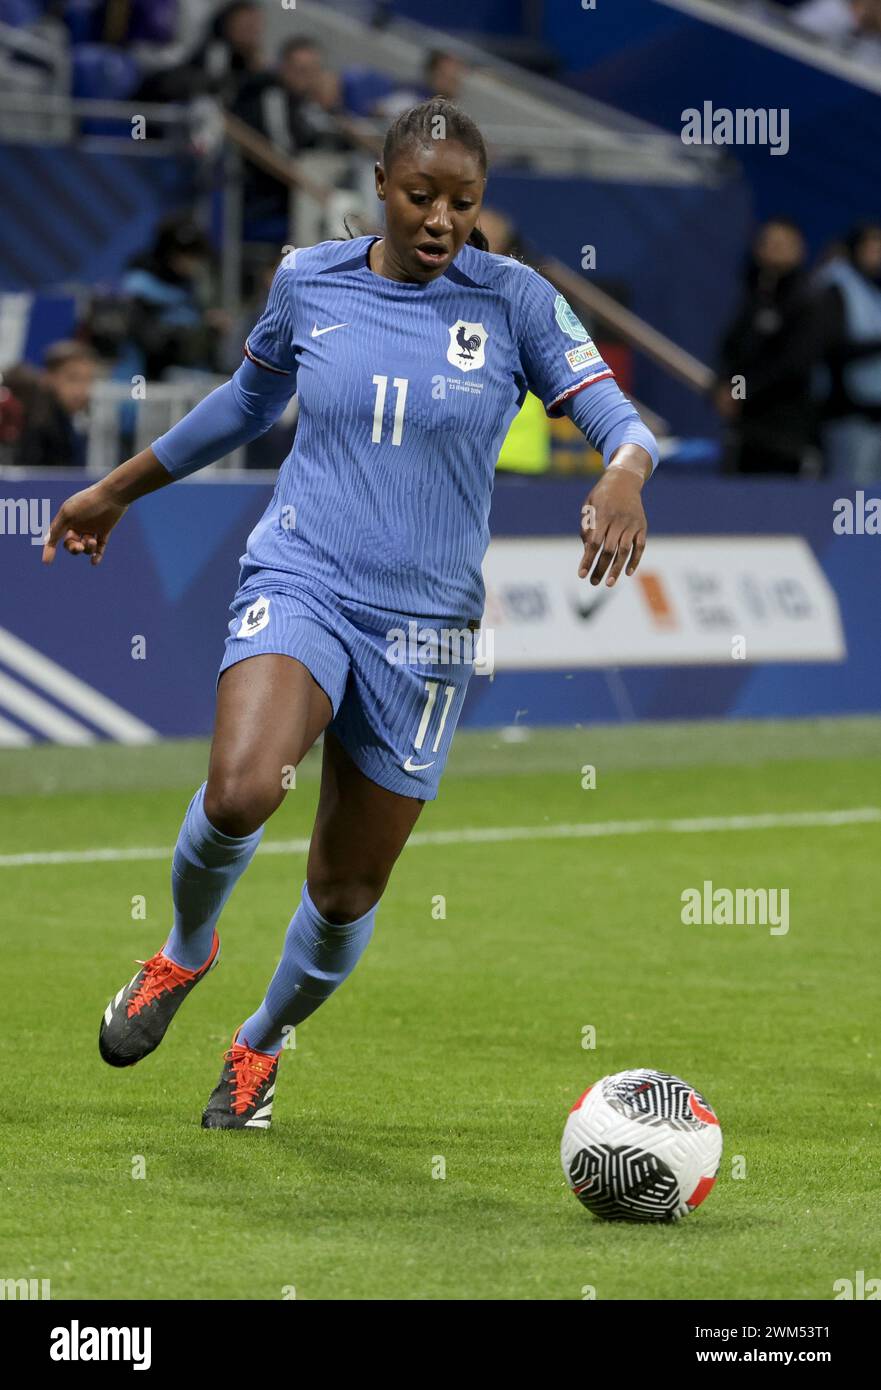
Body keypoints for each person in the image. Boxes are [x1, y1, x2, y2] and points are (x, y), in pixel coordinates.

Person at [43, 99, 658, 1131]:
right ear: (377, 184)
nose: (440, 219)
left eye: (463, 202)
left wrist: (624, 474)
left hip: (425, 632)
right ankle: (184, 951)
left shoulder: (513, 300)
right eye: (420, 195)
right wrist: (117, 488)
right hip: (305, 577)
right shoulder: (306, 280)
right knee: (240, 791)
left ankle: (260, 1042)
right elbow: (245, 404)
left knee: (343, 893)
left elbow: (620, 421)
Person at [714, 217, 822, 475]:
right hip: (744, 430)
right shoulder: (752, 294)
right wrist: (720, 387)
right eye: (768, 242)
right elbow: (734, 350)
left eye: (783, 243)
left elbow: (794, 362)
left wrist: (740, 392)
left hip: (785, 432)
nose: (774, 249)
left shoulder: (808, 299)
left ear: (800, 250)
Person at [813, 222, 881, 482]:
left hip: (873, 415)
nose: (878, 254)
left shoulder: (871, 290)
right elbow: (832, 349)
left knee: (871, 503)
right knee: (850, 497)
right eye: (871, 247)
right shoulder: (836, 288)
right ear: (854, 249)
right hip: (847, 416)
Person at [12, 341, 98, 469]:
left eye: (88, 380)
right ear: (48, 377)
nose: (81, 389)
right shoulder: (35, 428)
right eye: (73, 378)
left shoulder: (74, 425)